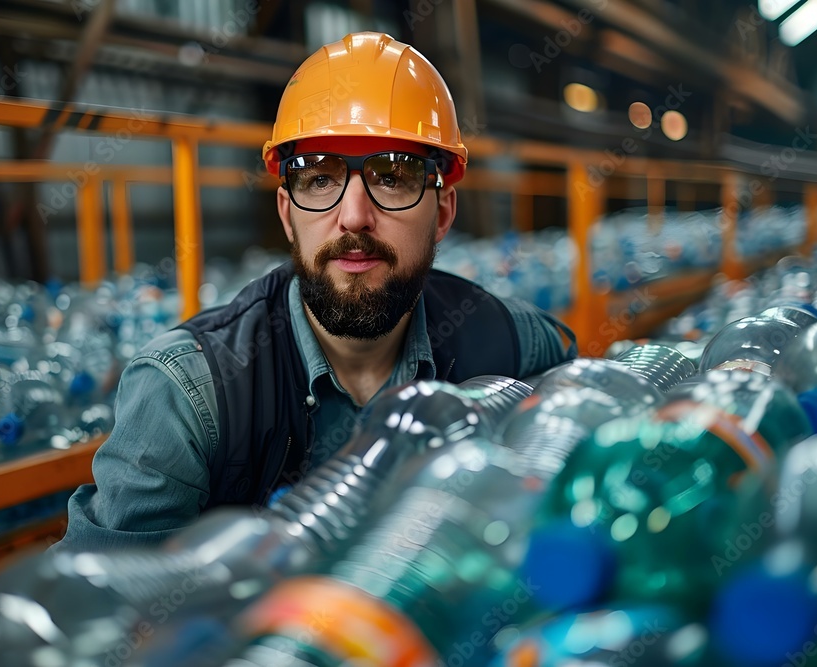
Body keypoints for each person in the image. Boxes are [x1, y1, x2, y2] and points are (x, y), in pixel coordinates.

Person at [52, 31, 576, 553]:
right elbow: (99, 612)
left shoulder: (513, 343)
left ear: (441, 214)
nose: (353, 217)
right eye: (320, 179)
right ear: (287, 213)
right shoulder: (190, 396)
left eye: (393, 177)